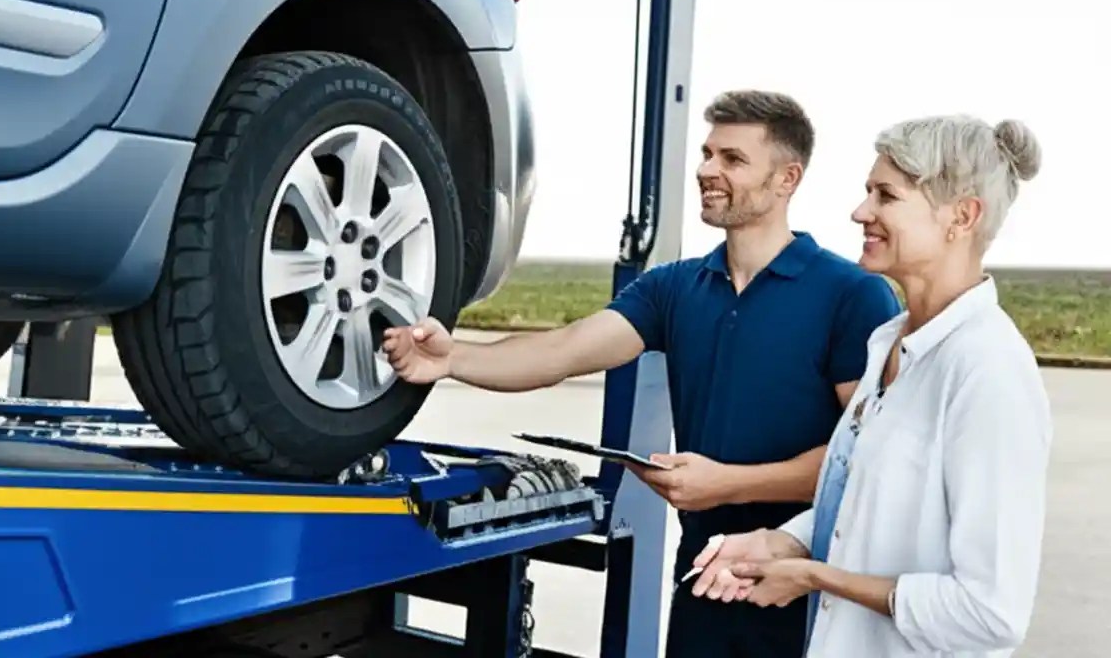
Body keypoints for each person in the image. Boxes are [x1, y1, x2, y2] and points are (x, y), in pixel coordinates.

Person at [381, 89, 902, 656]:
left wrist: (727, 483)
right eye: (707, 153)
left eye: (732, 159)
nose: (707, 170)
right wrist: (453, 358)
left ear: (787, 179)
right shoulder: (675, 287)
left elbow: (865, 460)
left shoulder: (852, 296)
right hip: (704, 577)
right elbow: (564, 350)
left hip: (805, 591)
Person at [688, 114, 1053, 657]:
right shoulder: (888, 343)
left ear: (962, 216)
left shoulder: (988, 370)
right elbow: (864, 504)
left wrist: (816, 576)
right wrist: (782, 542)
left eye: (886, 196)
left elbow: (990, 614)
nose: (861, 212)